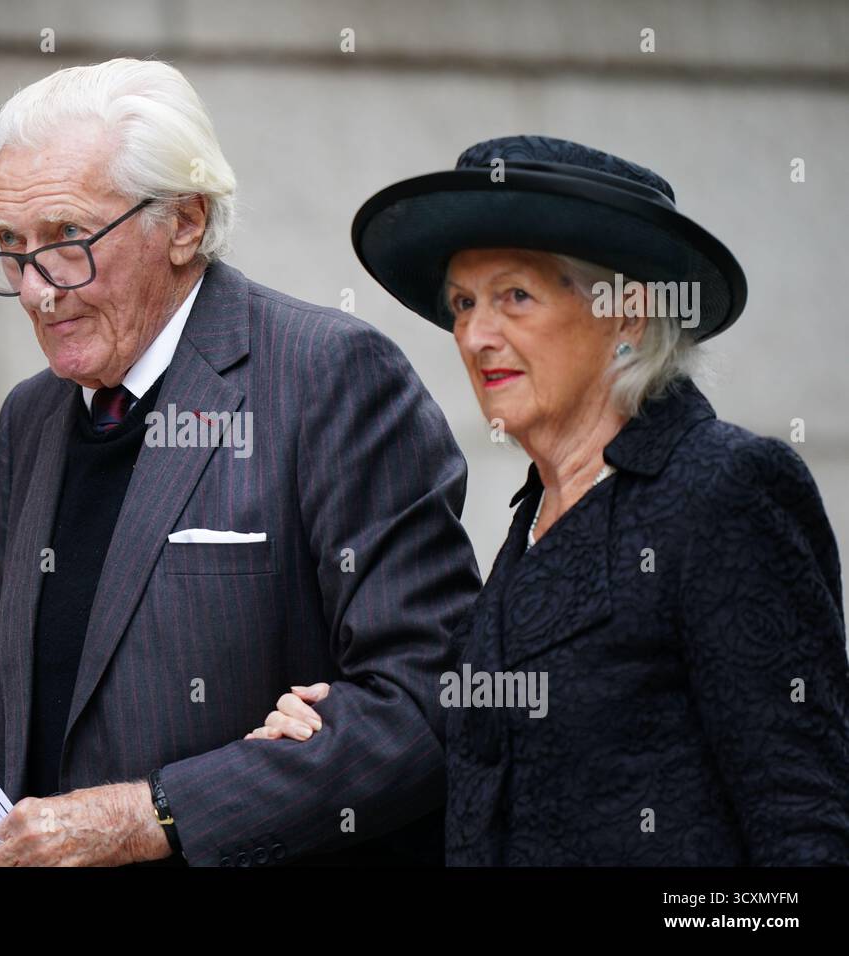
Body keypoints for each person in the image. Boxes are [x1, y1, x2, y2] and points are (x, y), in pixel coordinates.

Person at [0, 58, 480, 867]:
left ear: (183, 221)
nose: (39, 290)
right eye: (12, 246)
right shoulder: (33, 417)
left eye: (67, 240)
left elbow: (430, 700)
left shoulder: (325, 375)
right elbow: (73, 711)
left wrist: (159, 816)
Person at [251, 135, 849, 864]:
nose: (474, 335)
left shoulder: (725, 487)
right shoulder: (533, 515)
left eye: (515, 297)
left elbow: (805, 821)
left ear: (628, 316)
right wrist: (337, 728)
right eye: (463, 303)